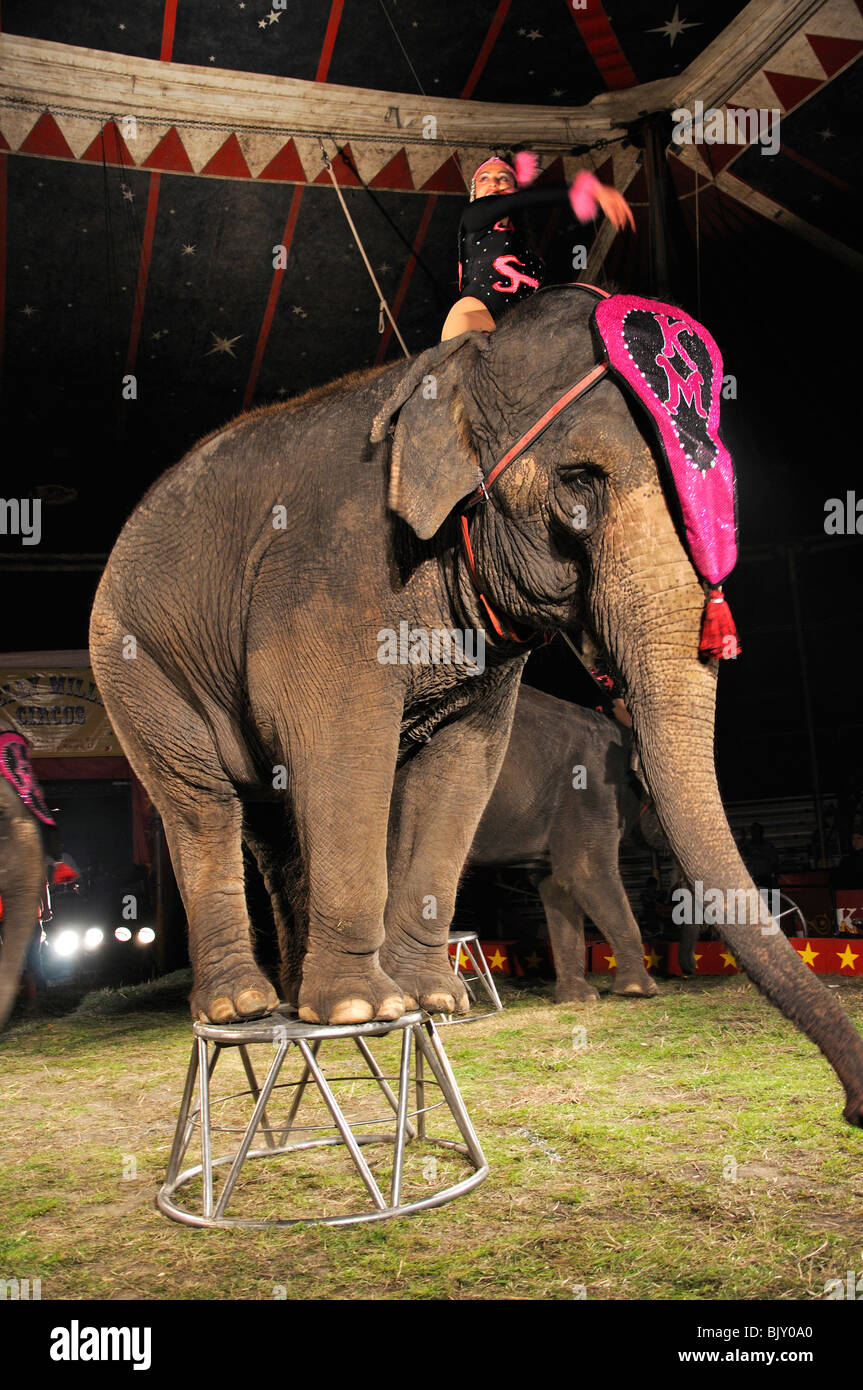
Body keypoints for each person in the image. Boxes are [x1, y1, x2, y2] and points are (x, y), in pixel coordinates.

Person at [441, 152, 634, 341]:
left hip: (517, 332)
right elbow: (523, 199)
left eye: (503, 178)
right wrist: (585, 191)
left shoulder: (528, 252)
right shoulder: (473, 215)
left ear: (515, 188)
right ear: (474, 192)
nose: (494, 183)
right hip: (474, 316)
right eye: (484, 178)